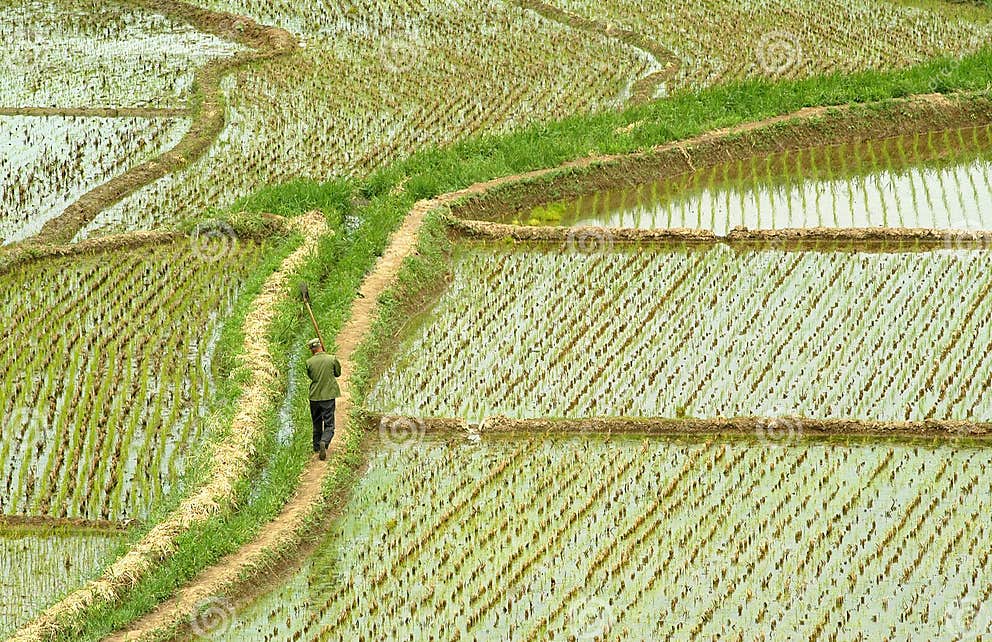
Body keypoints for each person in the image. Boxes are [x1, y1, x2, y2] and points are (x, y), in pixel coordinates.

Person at [306, 338, 341, 460]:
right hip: (328, 396)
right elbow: (337, 373)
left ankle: (316, 447)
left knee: (316, 422)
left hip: (314, 397)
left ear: (312, 350)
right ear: (321, 346)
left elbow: (311, 376)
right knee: (329, 424)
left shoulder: (309, 362)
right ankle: (324, 442)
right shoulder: (331, 359)